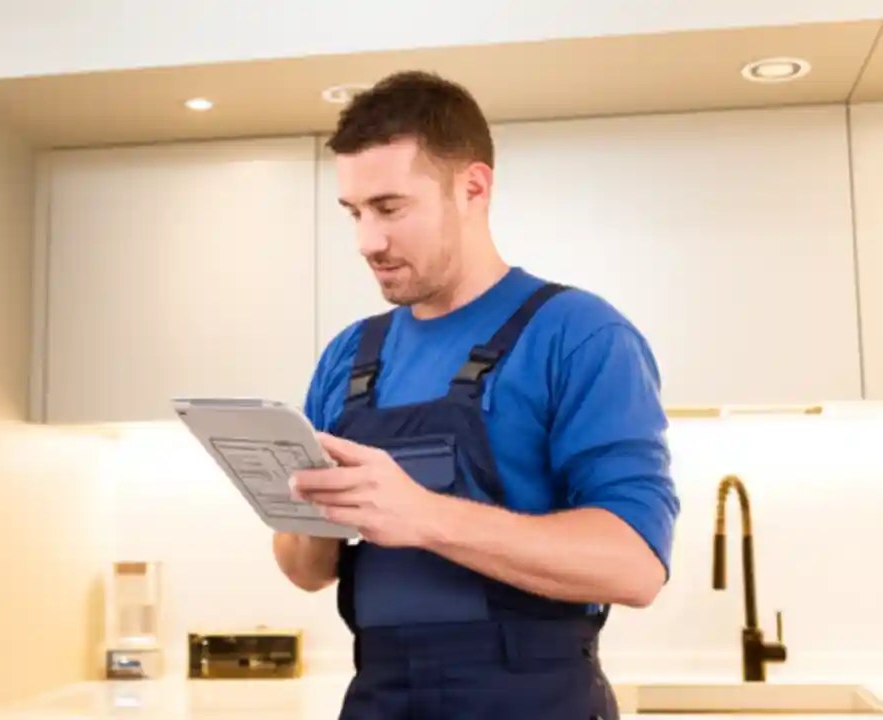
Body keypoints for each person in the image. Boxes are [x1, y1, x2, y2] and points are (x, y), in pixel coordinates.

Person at [273, 70, 680, 720]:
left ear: (473, 187)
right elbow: (305, 571)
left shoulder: (578, 334)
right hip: (378, 698)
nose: (366, 242)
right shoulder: (349, 356)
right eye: (354, 213)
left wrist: (423, 515)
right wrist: (301, 512)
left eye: (389, 208)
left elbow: (635, 566)